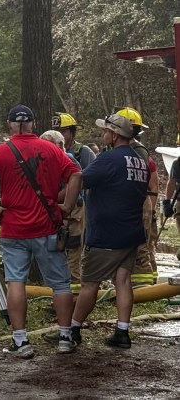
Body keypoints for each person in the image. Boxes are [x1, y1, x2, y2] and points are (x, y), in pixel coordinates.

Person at [0, 105, 81, 358]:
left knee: (16, 282)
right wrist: (66, 205)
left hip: (13, 229)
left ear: (10, 125)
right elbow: (76, 173)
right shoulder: (52, 149)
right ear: (33, 124)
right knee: (60, 284)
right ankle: (66, 337)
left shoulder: (0, 152)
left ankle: (21, 341)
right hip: (48, 227)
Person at [70, 114, 150, 349]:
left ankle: (73, 329)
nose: (102, 134)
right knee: (123, 281)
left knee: (90, 283)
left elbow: (81, 179)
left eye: (105, 131)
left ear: (114, 135)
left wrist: (63, 204)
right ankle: (122, 331)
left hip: (106, 233)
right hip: (131, 231)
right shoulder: (139, 160)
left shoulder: (108, 159)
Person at [115, 107, 160, 286]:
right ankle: (149, 282)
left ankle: (142, 286)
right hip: (138, 202)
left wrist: (150, 211)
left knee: (141, 246)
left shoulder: (137, 151)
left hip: (138, 202)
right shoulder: (132, 149)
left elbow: (150, 184)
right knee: (144, 246)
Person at [40, 129, 84, 294]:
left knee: (72, 249)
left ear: (59, 145)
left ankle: (75, 293)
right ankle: (60, 289)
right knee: (56, 248)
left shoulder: (67, 159)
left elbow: (75, 183)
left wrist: (51, 199)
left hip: (72, 210)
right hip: (54, 210)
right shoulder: (45, 161)